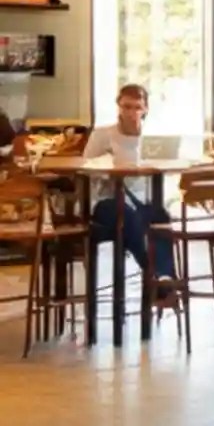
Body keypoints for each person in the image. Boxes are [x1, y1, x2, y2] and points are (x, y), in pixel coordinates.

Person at [82, 84, 179, 306]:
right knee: (127, 215)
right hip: (106, 200)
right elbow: (85, 169)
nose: (131, 112)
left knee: (160, 215)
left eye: (137, 107)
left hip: (141, 198)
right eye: (126, 106)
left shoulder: (153, 139)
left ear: (145, 109)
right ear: (118, 106)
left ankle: (164, 276)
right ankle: (154, 275)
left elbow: (170, 164)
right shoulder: (102, 135)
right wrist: (106, 167)